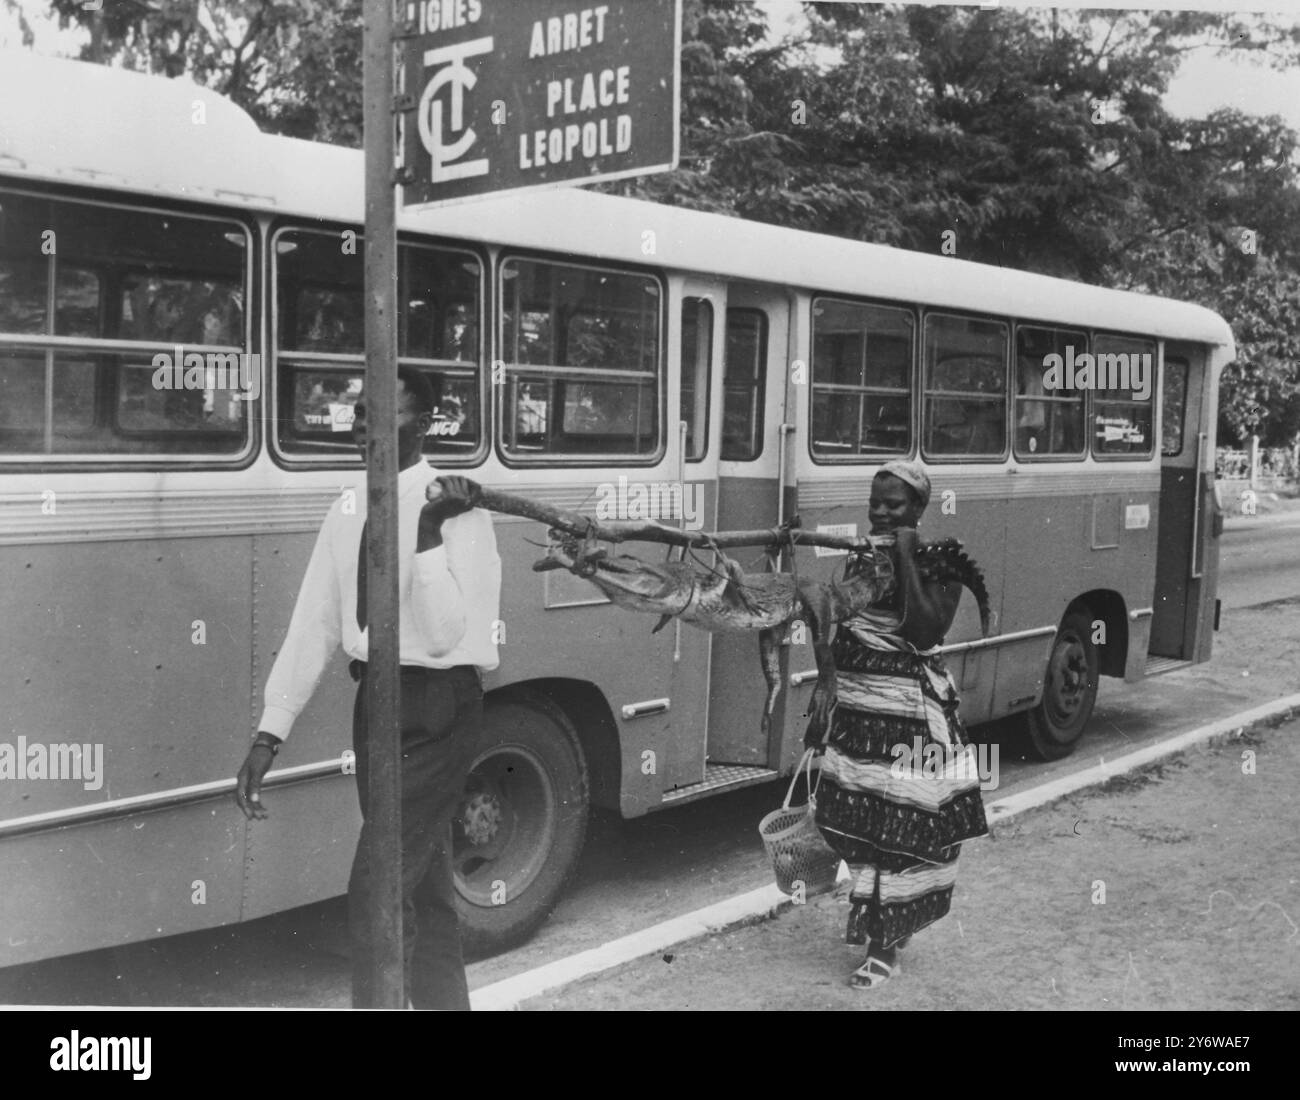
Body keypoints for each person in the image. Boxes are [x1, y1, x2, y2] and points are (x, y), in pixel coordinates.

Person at [233, 366, 501, 1010]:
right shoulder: (347, 509)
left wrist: (430, 532)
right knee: (421, 886)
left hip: (439, 707)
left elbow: (442, 639)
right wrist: (272, 732)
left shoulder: (459, 509)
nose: (368, 431)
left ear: (424, 423)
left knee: (377, 889)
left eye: (390, 416)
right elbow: (315, 623)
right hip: (374, 705)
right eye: (360, 417)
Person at [807, 459, 988, 989]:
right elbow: (842, 624)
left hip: (907, 718)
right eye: (876, 502)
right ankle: (890, 923)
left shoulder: (940, 563)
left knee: (900, 829)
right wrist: (825, 692)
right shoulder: (861, 558)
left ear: (919, 509)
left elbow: (925, 627)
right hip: (858, 716)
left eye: (895, 504)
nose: (882, 512)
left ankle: (883, 946)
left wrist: (906, 555)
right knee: (849, 819)